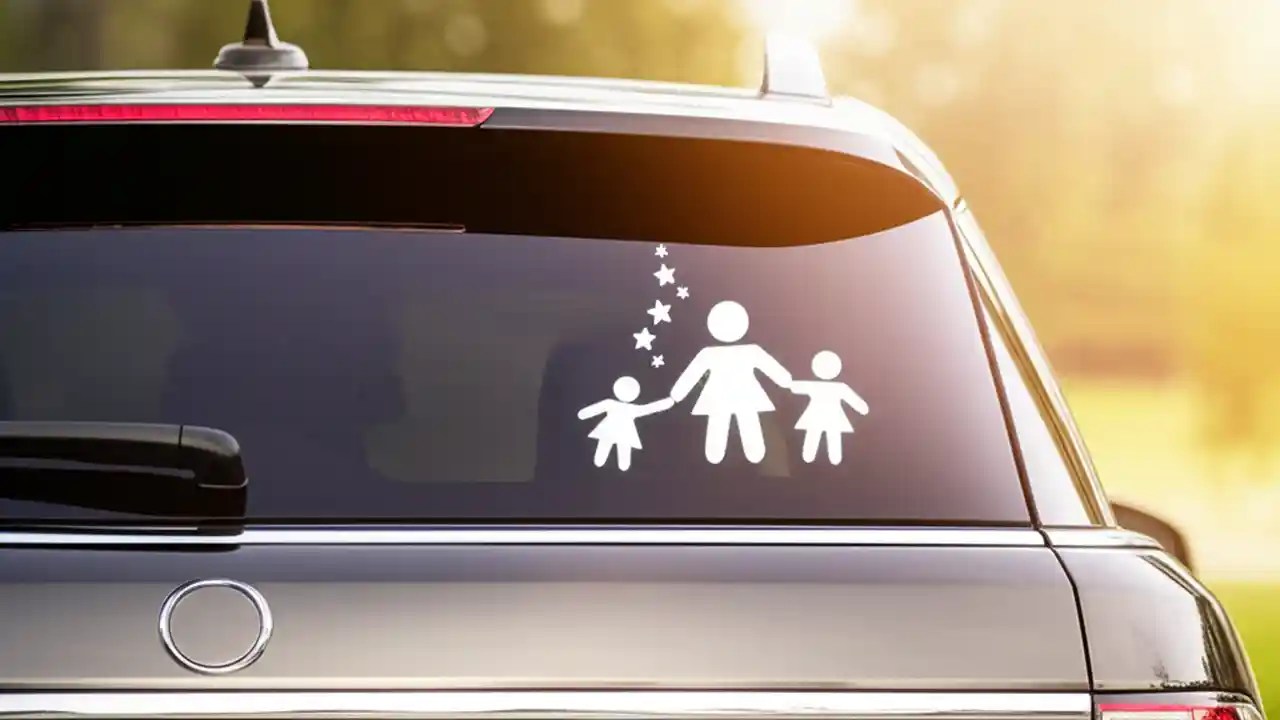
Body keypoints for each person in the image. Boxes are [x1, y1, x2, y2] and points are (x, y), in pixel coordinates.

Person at [669, 300, 792, 464]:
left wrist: (675, 397)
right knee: (724, 422)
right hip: (732, 396)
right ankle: (724, 455)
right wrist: (675, 396)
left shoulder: (727, 353)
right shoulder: (729, 353)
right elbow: (691, 375)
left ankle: (745, 453)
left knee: (741, 420)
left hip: (735, 395)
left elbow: (775, 371)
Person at [578, 376, 674, 471]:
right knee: (613, 446)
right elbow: (648, 408)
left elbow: (648, 408)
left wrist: (667, 403)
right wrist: (667, 402)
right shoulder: (622, 406)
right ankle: (610, 463)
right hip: (617, 431)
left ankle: (613, 463)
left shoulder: (612, 404)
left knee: (616, 447)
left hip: (614, 430)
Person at [790, 350, 869, 465]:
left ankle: (819, 458)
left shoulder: (827, 387)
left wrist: (787, 383)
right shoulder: (839, 387)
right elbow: (795, 387)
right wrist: (863, 409)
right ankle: (814, 457)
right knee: (819, 435)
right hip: (827, 416)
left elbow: (794, 387)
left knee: (826, 435)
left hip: (823, 416)